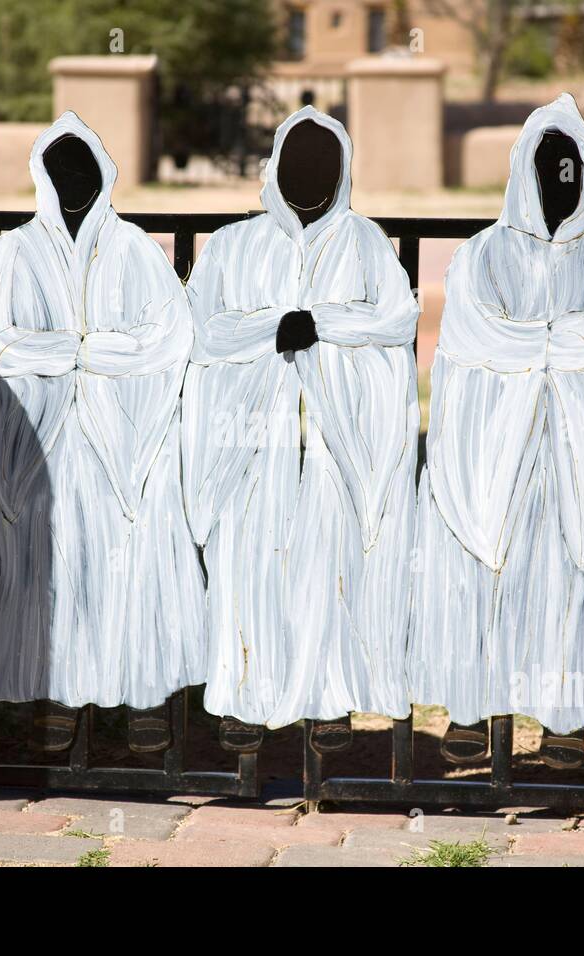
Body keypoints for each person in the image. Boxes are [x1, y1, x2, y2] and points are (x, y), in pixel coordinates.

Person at [408, 94, 584, 765]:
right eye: (546, 167)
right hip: (494, 451)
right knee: (485, 577)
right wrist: (556, 345)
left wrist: (535, 344)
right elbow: (473, 334)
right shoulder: (483, 254)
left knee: (571, 577)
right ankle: (473, 710)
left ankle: (567, 716)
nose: (557, 182)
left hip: (582, 453)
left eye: (569, 166)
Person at [0, 112, 205, 754]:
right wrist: (86, 350)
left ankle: (145, 693)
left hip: (125, 445)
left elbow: (167, 337)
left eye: (83, 169)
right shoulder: (12, 253)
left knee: (134, 564)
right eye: (59, 170)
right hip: (40, 446)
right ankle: (62, 695)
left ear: (103, 175)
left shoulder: (134, 250)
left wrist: (76, 351)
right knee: (57, 563)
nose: (72, 181)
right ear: (42, 176)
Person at [182, 107, 420, 753]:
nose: (309, 177)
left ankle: (328, 695)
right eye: (298, 162)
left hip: (337, 440)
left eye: (324, 165)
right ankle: (242, 691)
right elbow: (203, 328)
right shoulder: (234, 245)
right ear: (275, 167)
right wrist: (270, 330)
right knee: (247, 559)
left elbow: (396, 321)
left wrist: (322, 325)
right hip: (250, 439)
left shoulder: (365, 241)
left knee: (330, 559)